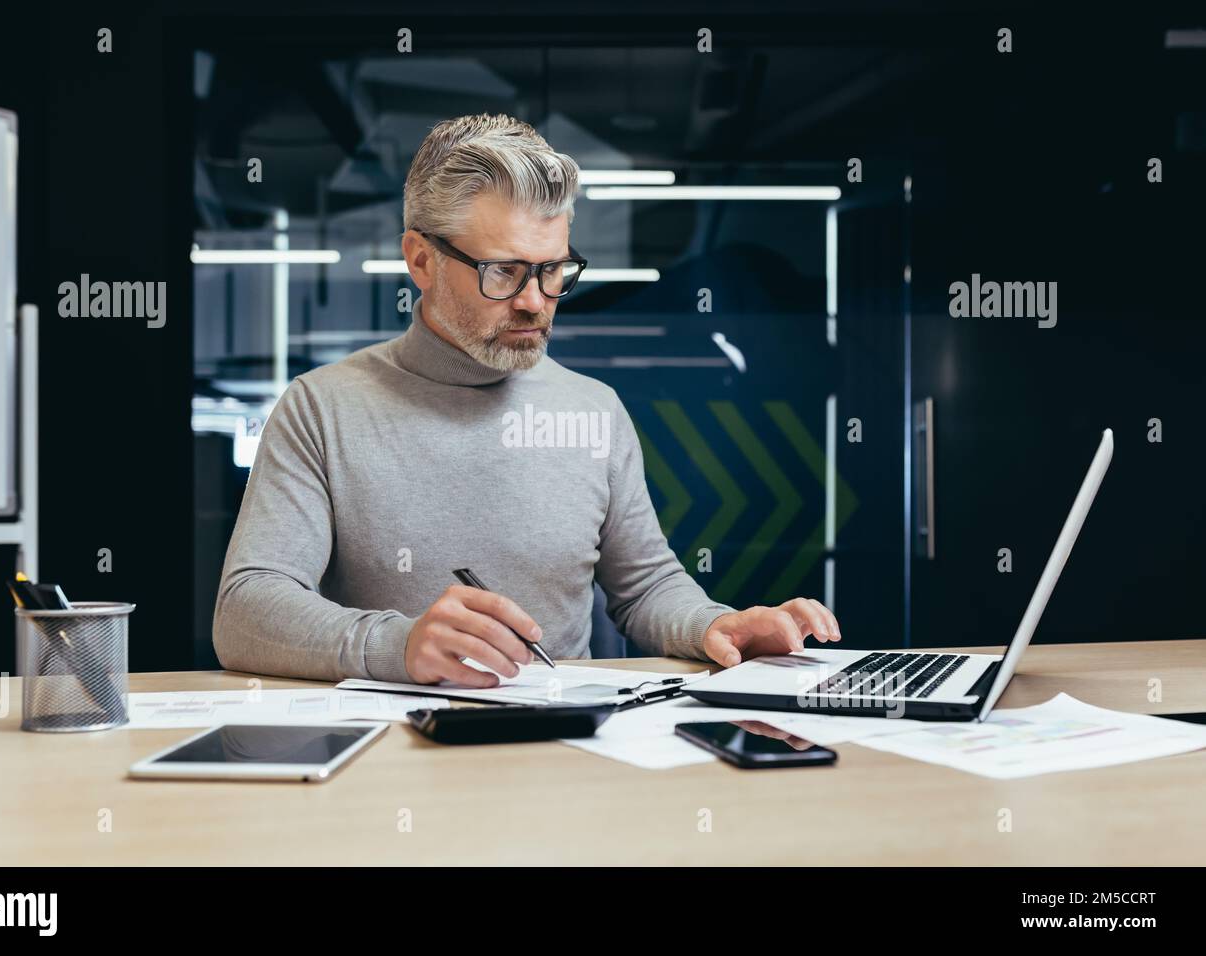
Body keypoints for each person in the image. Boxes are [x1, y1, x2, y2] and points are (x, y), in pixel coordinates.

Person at [213, 113, 840, 689]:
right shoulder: (321, 410)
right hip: (389, 762)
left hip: (563, 754)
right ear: (421, 260)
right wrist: (397, 645)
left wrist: (712, 626)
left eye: (553, 270)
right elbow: (245, 610)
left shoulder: (595, 410)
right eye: (504, 272)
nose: (535, 302)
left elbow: (646, 587)